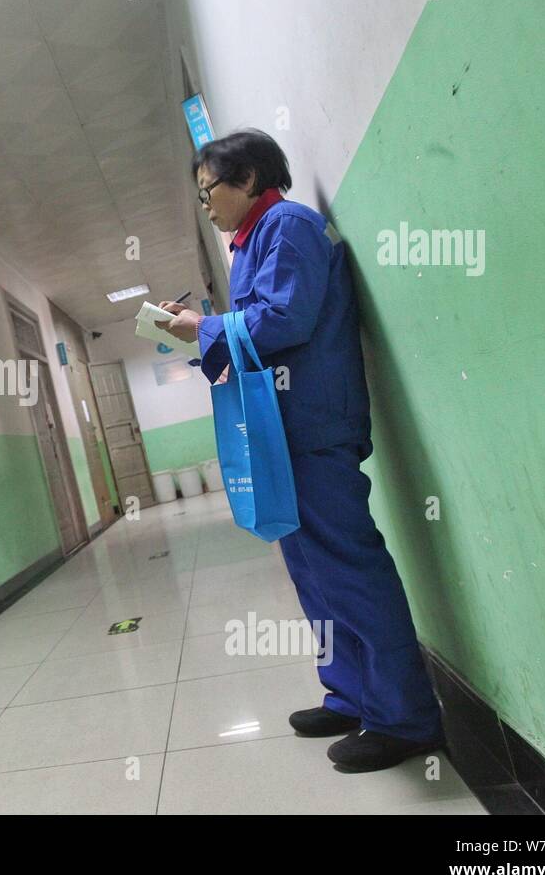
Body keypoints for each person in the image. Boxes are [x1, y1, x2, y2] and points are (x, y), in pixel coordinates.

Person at [157, 129, 444, 772]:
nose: (206, 205)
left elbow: (287, 319)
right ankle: (350, 692)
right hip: (283, 430)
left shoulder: (288, 225)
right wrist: (205, 325)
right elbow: (258, 320)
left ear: (251, 179)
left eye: (211, 191)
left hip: (315, 427)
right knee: (312, 572)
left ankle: (405, 718)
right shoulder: (253, 241)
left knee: (348, 568)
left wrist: (200, 328)